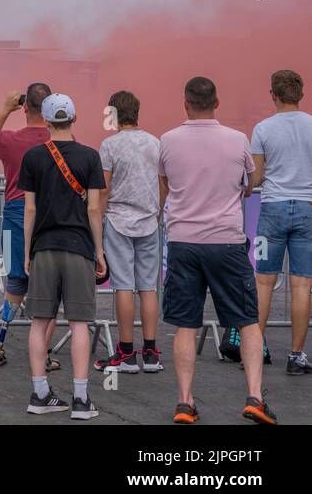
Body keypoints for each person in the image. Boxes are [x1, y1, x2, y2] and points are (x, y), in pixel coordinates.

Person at [159, 76, 274, 424]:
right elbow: (250, 184)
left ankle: (184, 402)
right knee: (248, 322)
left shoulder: (167, 141)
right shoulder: (237, 139)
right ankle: (254, 396)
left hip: (183, 242)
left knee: (185, 325)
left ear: (185, 103)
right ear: (217, 102)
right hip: (226, 241)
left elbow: (164, 188)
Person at [18, 93, 106, 420]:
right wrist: (99, 251)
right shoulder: (89, 157)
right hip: (79, 247)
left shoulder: (33, 157)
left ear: (44, 119)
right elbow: (94, 208)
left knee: (39, 322)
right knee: (80, 323)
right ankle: (81, 399)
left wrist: (28, 251)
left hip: (43, 247)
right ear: (74, 118)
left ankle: (40, 393)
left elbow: (30, 208)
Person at [0, 83, 60, 370]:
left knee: (16, 280)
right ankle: (44, 353)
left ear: (25, 107)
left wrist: (4, 109)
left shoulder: (11, 141)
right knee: (50, 285)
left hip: (16, 211)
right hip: (53, 214)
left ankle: (0, 344)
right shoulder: (58, 141)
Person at [93, 91, 163, 373]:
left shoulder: (109, 146)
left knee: (123, 285)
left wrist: (96, 217)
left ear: (114, 114)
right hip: (149, 220)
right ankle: (151, 352)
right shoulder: (155, 143)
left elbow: (104, 188)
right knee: (148, 286)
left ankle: (125, 353)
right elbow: (163, 183)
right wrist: (158, 209)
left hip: (120, 220)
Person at [251, 69, 312, 376]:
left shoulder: (262, 128)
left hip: (272, 208)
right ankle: (297, 355)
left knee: (264, 282)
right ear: (300, 94)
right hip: (307, 208)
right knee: (301, 284)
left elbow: (257, 177)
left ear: (272, 95)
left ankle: (256, 349)